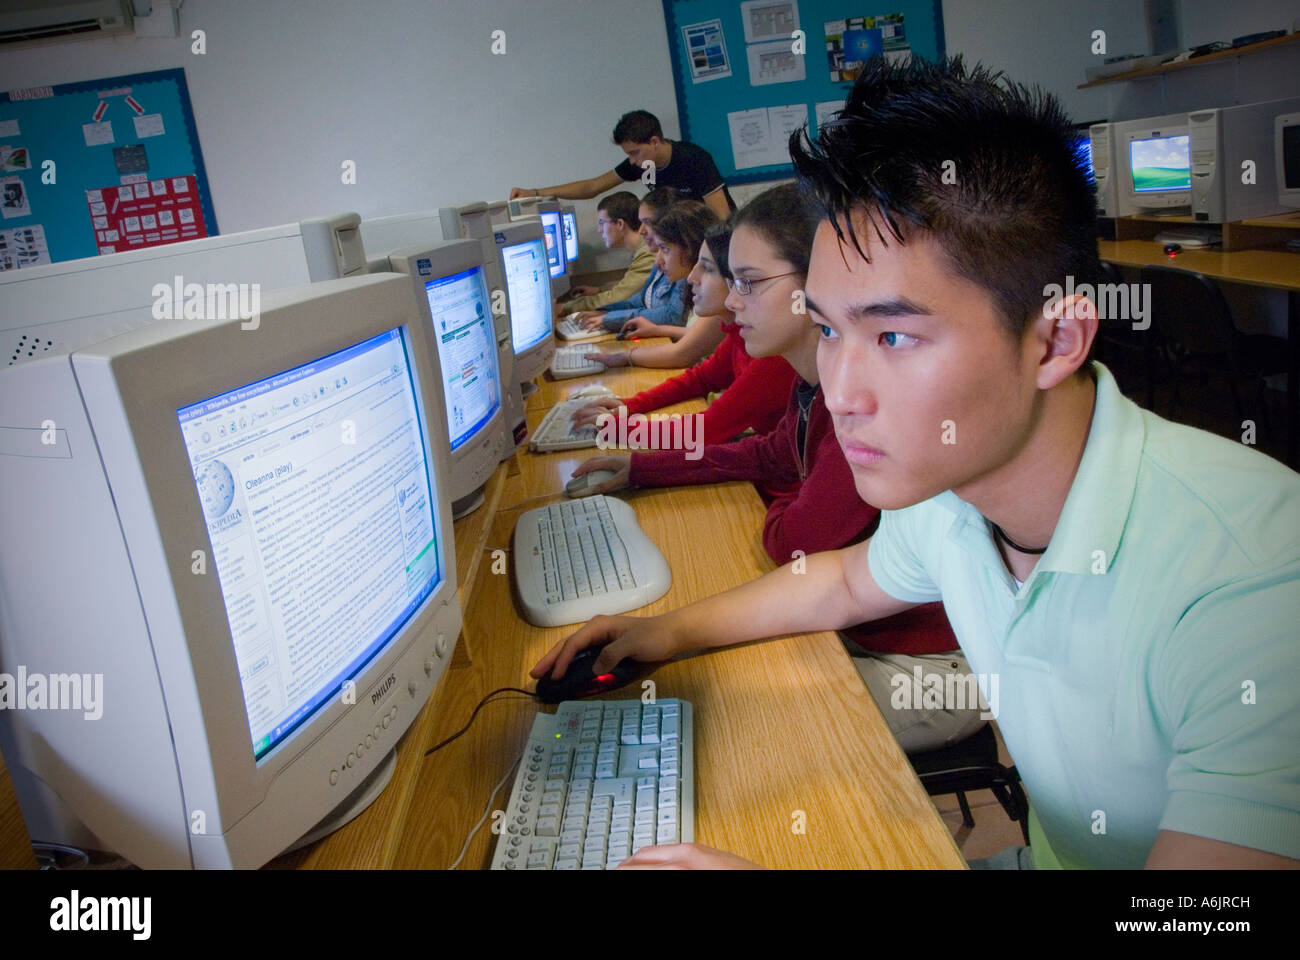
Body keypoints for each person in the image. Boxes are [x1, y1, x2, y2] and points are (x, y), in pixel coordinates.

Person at [534, 56, 1300, 870]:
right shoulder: (958, 492)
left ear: (1055, 340)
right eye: (829, 331)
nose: (841, 390)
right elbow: (840, 581)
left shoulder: (1254, 581)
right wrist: (662, 632)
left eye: (894, 336)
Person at [572, 185, 973, 751]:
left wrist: (784, 498)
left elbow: (793, 539)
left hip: (924, 661)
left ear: (820, 287)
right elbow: (767, 453)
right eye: (726, 278)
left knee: (732, 727)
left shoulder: (853, 398)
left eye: (746, 281)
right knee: (694, 682)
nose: (728, 301)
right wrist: (640, 462)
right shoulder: (809, 379)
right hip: (864, 622)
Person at [570, 187, 802, 453]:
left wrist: (617, 429)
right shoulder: (742, 333)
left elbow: (707, 429)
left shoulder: (771, 350)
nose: (692, 277)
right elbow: (701, 379)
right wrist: (629, 406)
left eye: (708, 268)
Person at [511, 110, 734, 219]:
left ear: (654, 141)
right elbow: (592, 187)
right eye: (629, 154)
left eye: (635, 152)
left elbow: (721, 217)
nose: (633, 161)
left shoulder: (694, 159)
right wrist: (535, 192)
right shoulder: (640, 163)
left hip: (715, 240)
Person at [587, 202, 726, 362]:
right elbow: (700, 336)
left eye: (665, 249)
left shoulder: (718, 296)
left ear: (690, 248)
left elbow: (682, 353)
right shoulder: (700, 289)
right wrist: (658, 330)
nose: (658, 261)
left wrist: (623, 357)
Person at [572, 189, 693, 336]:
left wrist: (609, 318)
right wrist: (606, 312)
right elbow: (642, 298)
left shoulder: (681, 262)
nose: (641, 230)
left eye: (646, 222)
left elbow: (673, 317)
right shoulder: (659, 257)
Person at [556, 192, 655, 315]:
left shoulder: (648, 253)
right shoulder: (642, 249)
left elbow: (619, 297)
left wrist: (567, 308)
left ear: (620, 224)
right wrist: (600, 290)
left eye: (602, 222)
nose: (599, 229)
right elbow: (629, 285)